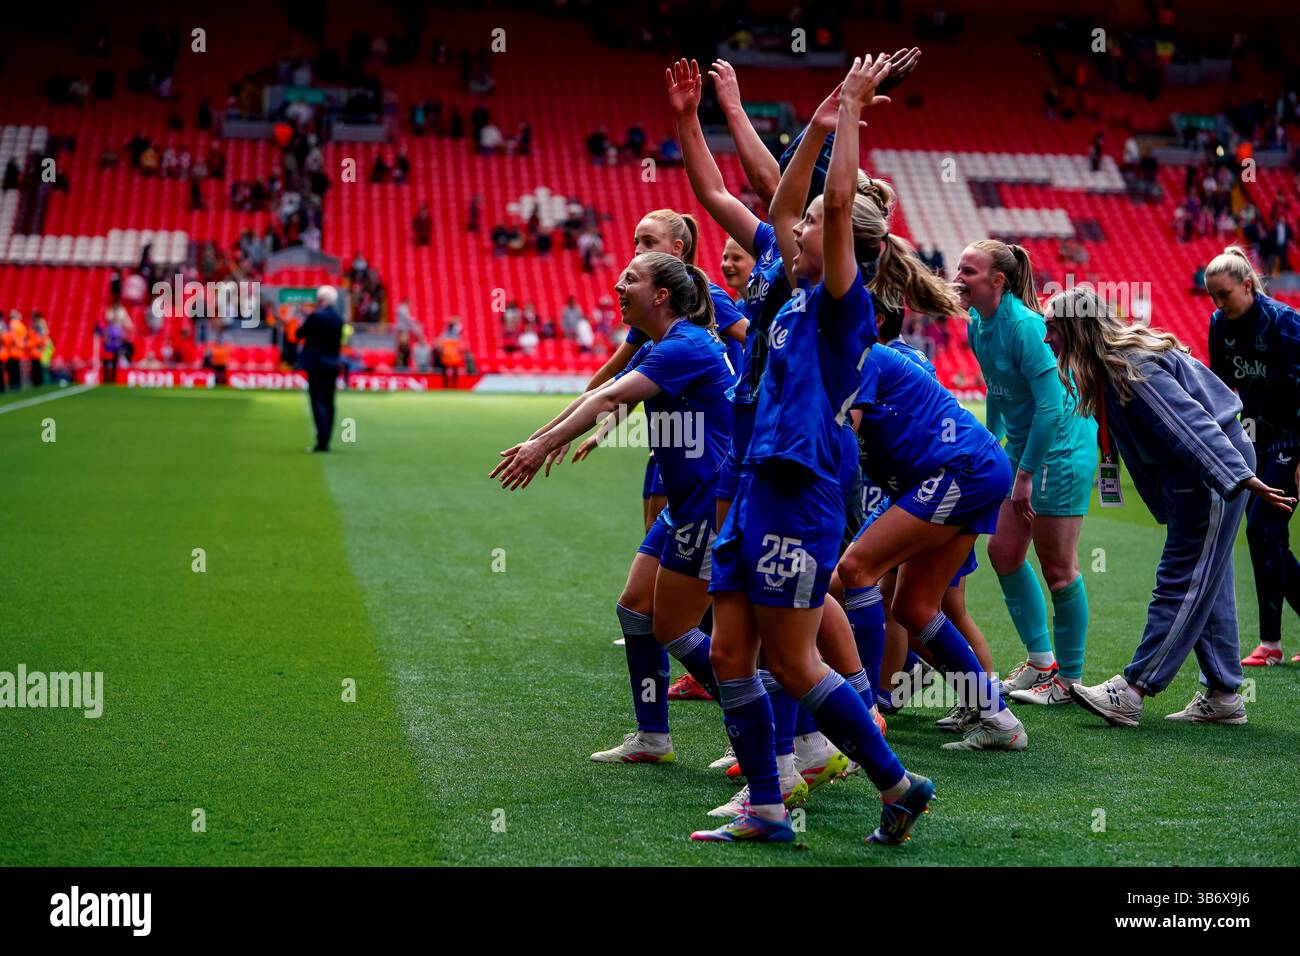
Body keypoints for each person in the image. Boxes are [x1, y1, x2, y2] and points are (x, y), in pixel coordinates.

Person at [690, 56, 935, 845]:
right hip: (758, 481)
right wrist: (819, 123)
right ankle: (767, 805)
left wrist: (855, 113)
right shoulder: (790, 299)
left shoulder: (840, 305)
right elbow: (789, 195)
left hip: (799, 491)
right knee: (731, 649)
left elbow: (828, 206)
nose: (786, 228)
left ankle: (896, 783)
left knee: (793, 662)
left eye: (804, 232)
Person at [491, 251, 734, 772]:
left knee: (676, 628)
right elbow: (605, 395)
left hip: (711, 507)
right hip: (685, 504)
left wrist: (540, 447)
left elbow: (607, 399)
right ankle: (653, 737)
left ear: (662, 295)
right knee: (635, 610)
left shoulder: (685, 345)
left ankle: (772, 727)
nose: (618, 285)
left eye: (632, 277)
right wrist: (540, 439)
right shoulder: (666, 343)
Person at [1044, 287, 1294, 726]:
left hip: (1210, 471)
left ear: (1074, 330)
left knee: (1181, 578)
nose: (1047, 340)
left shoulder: (1131, 367)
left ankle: (1134, 689)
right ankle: (1222, 694)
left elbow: (1191, 423)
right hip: (1200, 474)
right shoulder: (1115, 366)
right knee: (1208, 578)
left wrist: (1240, 477)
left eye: (1052, 329)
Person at [956, 239, 1098, 707]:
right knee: (1004, 552)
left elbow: (1051, 406)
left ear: (998, 280)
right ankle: (1042, 662)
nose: (959, 278)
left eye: (969, 271)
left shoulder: (1025, 326)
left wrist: (1025, 474)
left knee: (1059, 570)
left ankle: (1069, 681)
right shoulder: (979, 322)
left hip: (1058, 447)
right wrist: (988, 444)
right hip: (1026, 450)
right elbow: (998, 391)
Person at [1204, 247, 1300, 665]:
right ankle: (1271, 645)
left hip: (1290, 440)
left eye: (1224, 294)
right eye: (1212, 296)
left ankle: (1271, 644)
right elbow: (1222, 391)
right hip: (1251, 443)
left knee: (1262, 528)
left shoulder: (1284, 321)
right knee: (1264, 536)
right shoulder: (1217, 324)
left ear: (1247, 285)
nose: (1218, 304)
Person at [297, 286, 344, 452]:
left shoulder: (315, 316)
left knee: (318, 402)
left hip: (316, 364)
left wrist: (305, 317)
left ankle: (322, 440)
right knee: (330, 402)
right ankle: (327, 438)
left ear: (321, 299)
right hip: (332, 364)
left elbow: (299, 334)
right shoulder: (339, 318)